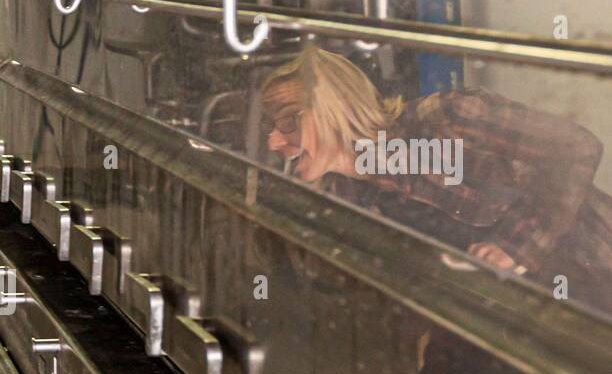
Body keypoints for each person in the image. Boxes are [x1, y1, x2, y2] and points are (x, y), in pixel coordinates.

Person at [258, 47, 612, 313]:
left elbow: (576, 147)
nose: (273, 142)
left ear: (334, 112)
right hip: (524, 315)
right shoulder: (350, 193)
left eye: (289, 121)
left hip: (593, 270)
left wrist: (516, 247)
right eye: (272, 127)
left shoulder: (447, 118)